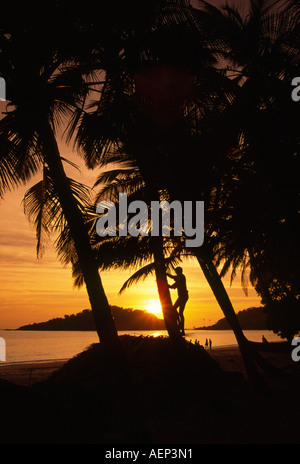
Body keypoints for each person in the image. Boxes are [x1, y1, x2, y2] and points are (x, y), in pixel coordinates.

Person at [167, 267, 189, 335]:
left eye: (176, 271)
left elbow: (174, 277)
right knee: (179, 312)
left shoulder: (182, 277)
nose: (176, 273)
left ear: (179, 271)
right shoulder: (178, 281)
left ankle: (181, 327)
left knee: (177, 311)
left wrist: (166, 274)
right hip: (182, 296)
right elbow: (171, 286)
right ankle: (180, 326)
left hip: (183, 296)